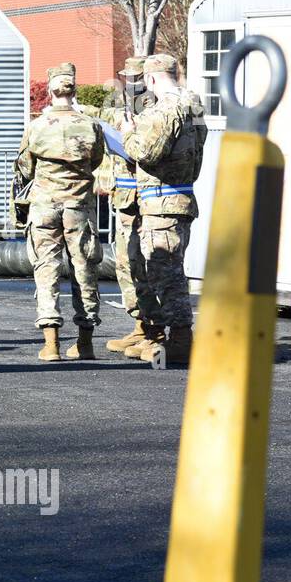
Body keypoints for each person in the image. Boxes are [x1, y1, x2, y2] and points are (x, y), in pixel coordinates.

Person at [120, 53, 208, 366]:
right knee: (170, 270)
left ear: (153, 78)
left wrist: (128, 131)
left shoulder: (166, 108)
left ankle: (182, 340)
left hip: (162, 201)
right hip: (180, 197)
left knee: (166, 272)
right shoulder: (194, 104)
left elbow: (147, 152)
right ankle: (177, 337)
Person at [14, 63, 106, 361]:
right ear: (74, 89)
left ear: (50, 91)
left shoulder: (37, 126)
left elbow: (24, 168)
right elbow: (97, 160)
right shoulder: (91, 125)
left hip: (44, 207)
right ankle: (85, 341)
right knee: (84, 270)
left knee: (46, 271)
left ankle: (51, 343)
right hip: (78, 207)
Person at [98, 57, 160, 355]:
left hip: (146, 198)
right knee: (126, 265)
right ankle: (140, 325)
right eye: (128, 78)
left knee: (146, 264)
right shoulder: (126, 106)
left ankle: (155, 329)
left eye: (136, 78)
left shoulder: (154, 109)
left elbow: (146, 152)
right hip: (125, 198)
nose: (130, 83)